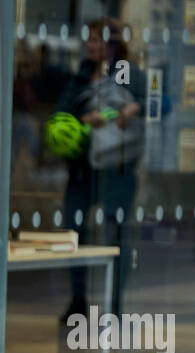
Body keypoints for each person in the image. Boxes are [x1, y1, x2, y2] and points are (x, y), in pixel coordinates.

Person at [56, 16, 145, 325]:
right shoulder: (82, 74)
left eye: (96, 39)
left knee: (115, 235)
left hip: (116, 168)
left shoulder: (130, 74)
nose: (90, 45)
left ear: (112, 43)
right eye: (89, 39)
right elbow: (63, 110)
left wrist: (134, 108)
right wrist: (83, 119)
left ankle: (114, 306)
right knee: (74, 230)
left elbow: (162, 99)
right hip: (83, 169)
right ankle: (78, 300)